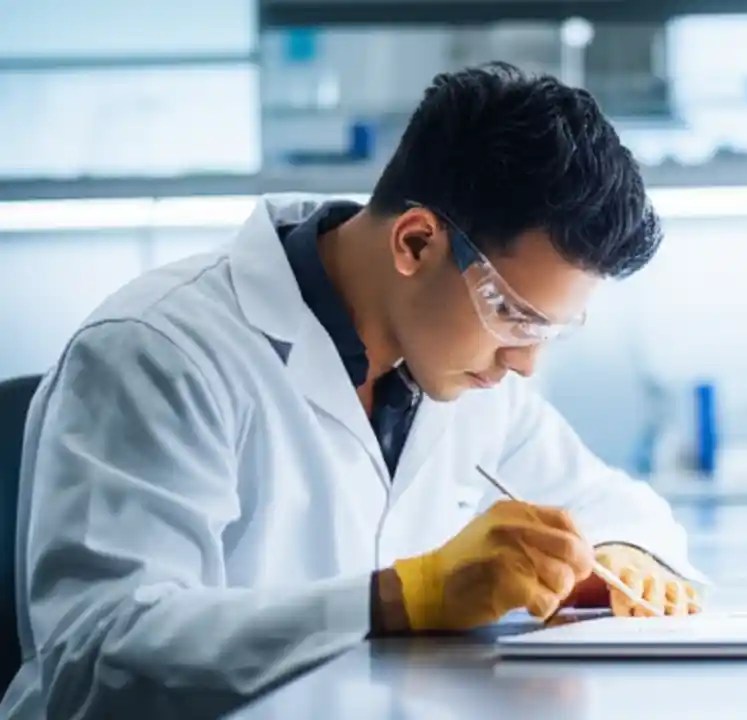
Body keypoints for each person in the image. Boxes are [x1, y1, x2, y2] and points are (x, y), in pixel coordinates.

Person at [1, 63, 703, 719]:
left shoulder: (466, 373)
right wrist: (405, 597)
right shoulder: (158, 351)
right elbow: (93, 659)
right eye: (513, 314)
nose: (524, 363)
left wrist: (620, 556)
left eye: (550, 329)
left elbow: (619, 504)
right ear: (416, 244)